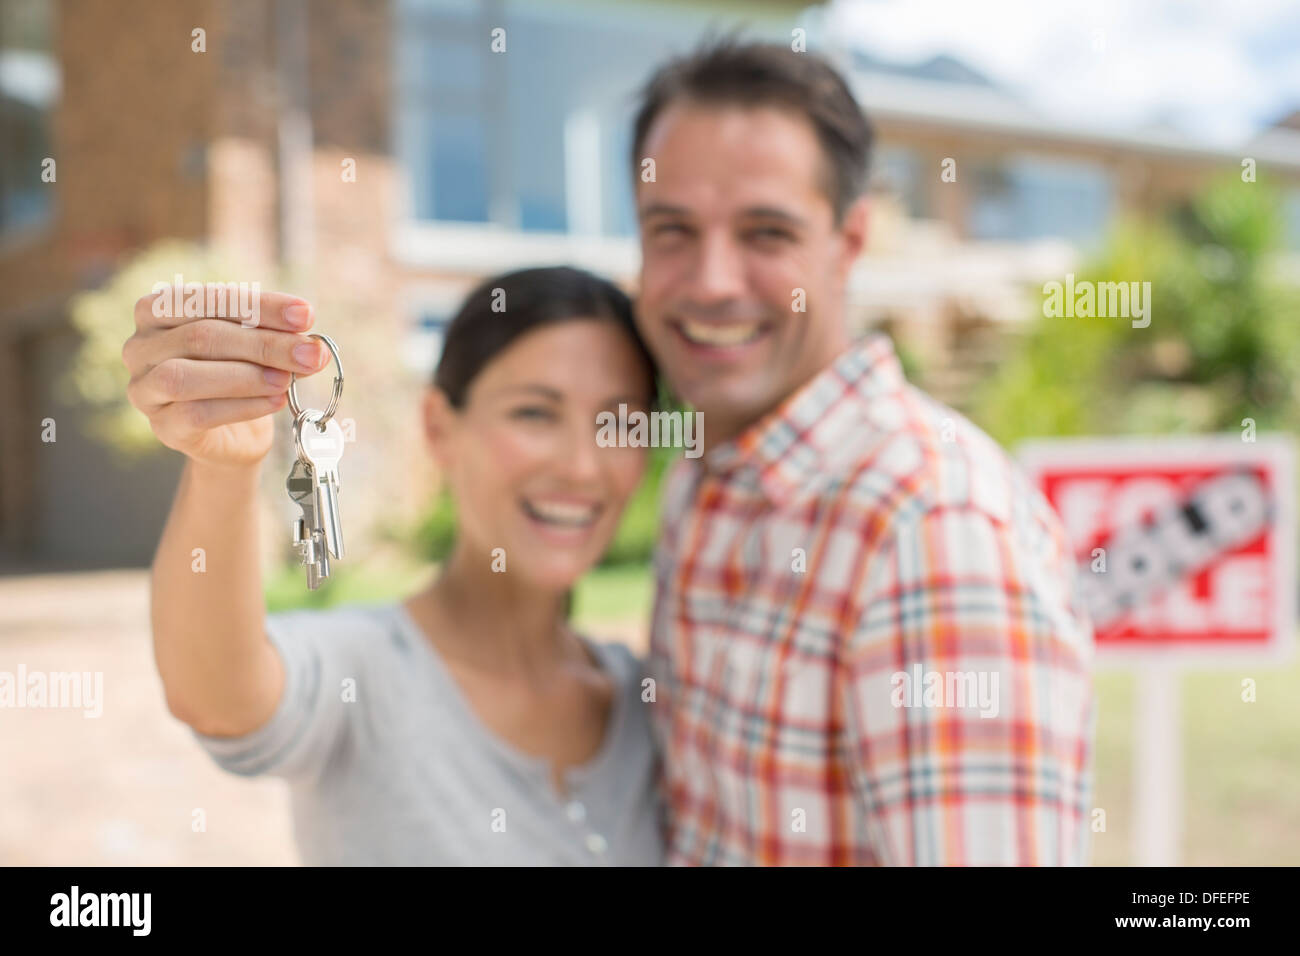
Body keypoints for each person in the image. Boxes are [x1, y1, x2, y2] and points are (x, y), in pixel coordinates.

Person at [630, 39, 1096, 865]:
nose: (710, 280)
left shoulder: (934, 528)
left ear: (849, 242)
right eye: (672, 231)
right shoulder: (705, 478)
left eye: (766, 232)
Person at [126, 267, 665, 865]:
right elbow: (220, 696)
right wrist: (224, 468)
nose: (583, 467)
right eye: (535, 413)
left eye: (618, 423)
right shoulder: (364, 671)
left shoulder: (652, 705)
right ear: (439, 429)